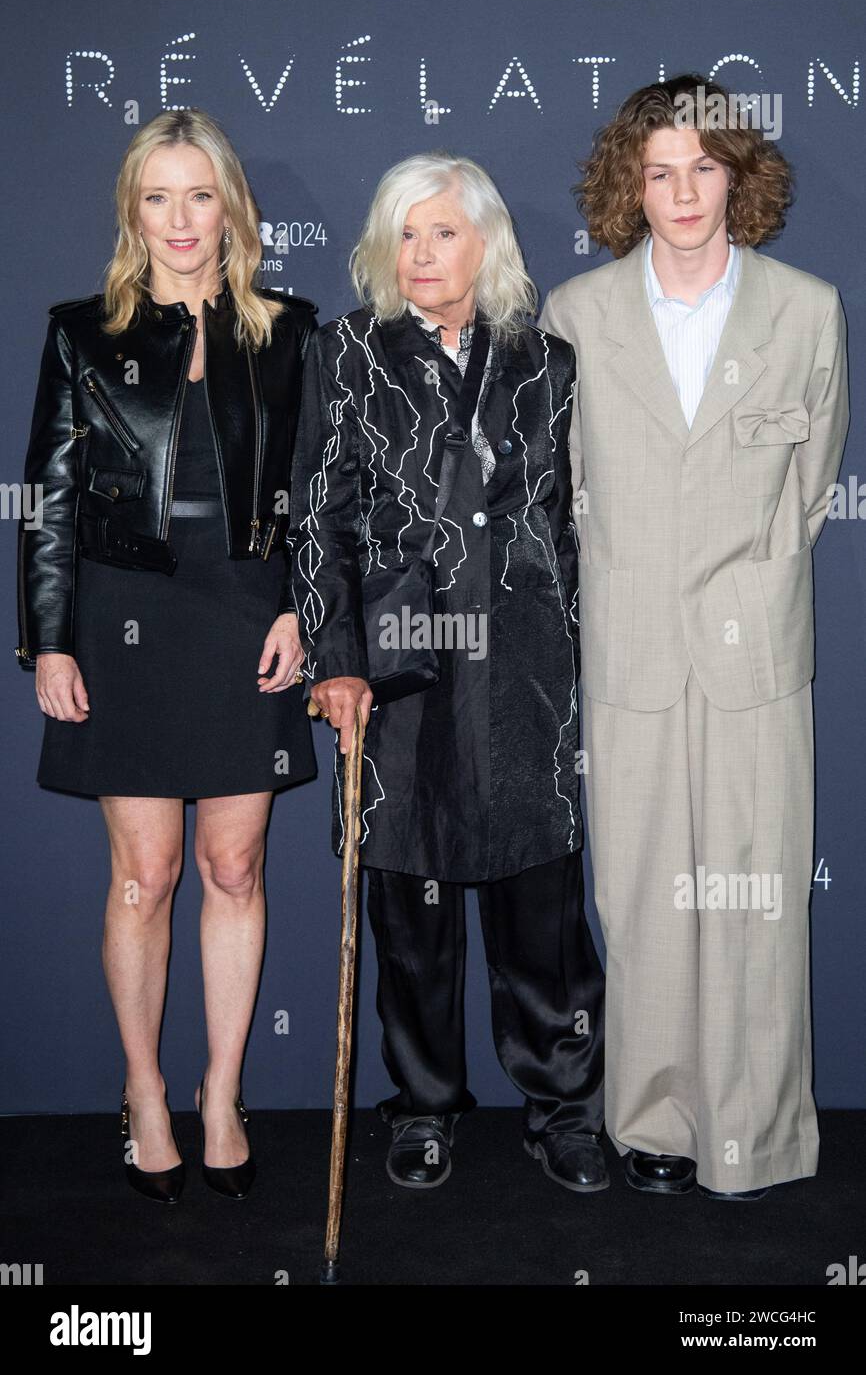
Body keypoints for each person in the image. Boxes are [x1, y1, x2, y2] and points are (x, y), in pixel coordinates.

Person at [539, 75, 849, 1199]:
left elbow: (809, 491)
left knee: (754, 897)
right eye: (658, 170)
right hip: (626, 654)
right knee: (641, 895)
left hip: (752, 651)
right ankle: (658, 1127)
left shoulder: (805, 310)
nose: (681, 192)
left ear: (737, 177)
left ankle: (754, 1132)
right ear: (630, 182)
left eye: (702, 167)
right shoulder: (577, 316)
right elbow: (563, 492)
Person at [16, 108, 318, 1203]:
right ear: (132, 212)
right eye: (158, 197)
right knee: (146, 877)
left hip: (248, 616)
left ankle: (220, 1093)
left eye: (200, 195)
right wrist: (46, 637)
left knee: (235, 868)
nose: (181, 220)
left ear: (230, 207)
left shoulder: (289, 332)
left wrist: (303, 609)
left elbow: (319, 499)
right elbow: (47, 502)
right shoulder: (80, 332)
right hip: (124, 617)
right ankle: (143, 1091)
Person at [291, 152, 606, 1192]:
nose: (422, 253)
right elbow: (320, 518)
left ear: (485, 243)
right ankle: (422, 1107)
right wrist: (334, 663)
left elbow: (565, 529)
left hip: (523, 677)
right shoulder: (345, 353)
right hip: (398, 677)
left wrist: (575, 665)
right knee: (411, 912)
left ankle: (563, 1107)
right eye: (405, 234)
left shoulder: (544, 362)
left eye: (444, 232)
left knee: (542, 917)